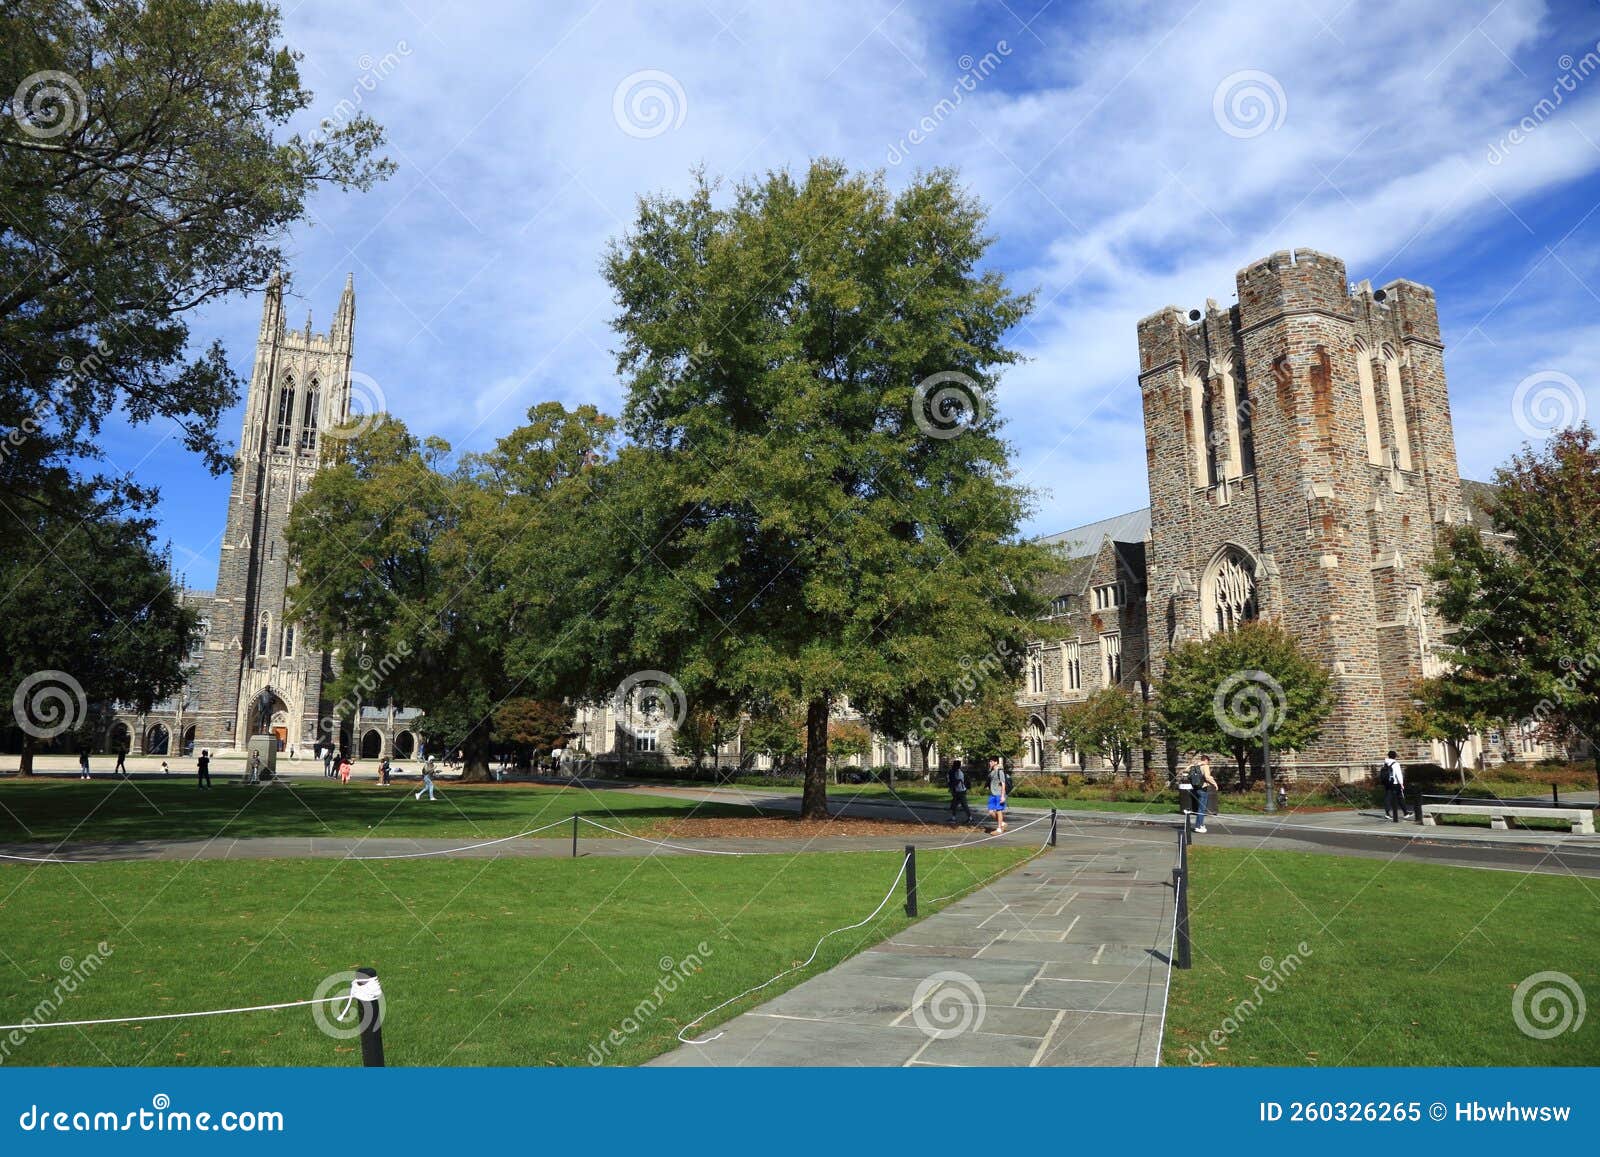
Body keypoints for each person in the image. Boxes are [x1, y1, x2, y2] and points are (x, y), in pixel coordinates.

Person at [1192, 755, 1219, 833]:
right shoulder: (1205, 766)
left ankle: (1200, 824)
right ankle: (1199, 826)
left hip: (1196, 788)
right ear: (1206, 760)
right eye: (1208, 760)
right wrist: (1215, 784)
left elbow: (1187, 771)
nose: (1208, 762)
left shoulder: (1195, 766)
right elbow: (1207, 777)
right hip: (1203, 789)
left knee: (1200, 808)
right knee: (1202, 808)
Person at [1381, 750, 1407, 822]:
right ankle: (1405, 813)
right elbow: (1398, 774)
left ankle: (1388, 813)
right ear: (1395, 756)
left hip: (1388, 783)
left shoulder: (1385, 763)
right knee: (1400, 797)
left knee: (1388, 797)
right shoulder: (1396, 764)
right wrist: (1401, 783)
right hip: (1395, 783)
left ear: (1388, 756)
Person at [986, 756, 1008, 834]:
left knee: (999, 811)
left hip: (999, 794)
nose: (990, 763)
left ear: (996, 762)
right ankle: (1002, 823)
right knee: (990, 811)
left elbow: (1003, 784)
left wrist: (1002, 796)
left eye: (991, 761)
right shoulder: (991, 772)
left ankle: (999, 829)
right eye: (989, 761)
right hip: (992, 794)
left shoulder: (1000, 771)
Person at [947, 759, 972, 825]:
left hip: (961, 791)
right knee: (954, 805)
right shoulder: (957, 772)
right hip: (958, 791)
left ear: (956, 766)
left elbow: (957, 781)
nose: (953, 766)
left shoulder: (958, 772)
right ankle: (953, 818)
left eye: (954, 765)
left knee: (964, 805)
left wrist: (951, 786)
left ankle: (970, 818)